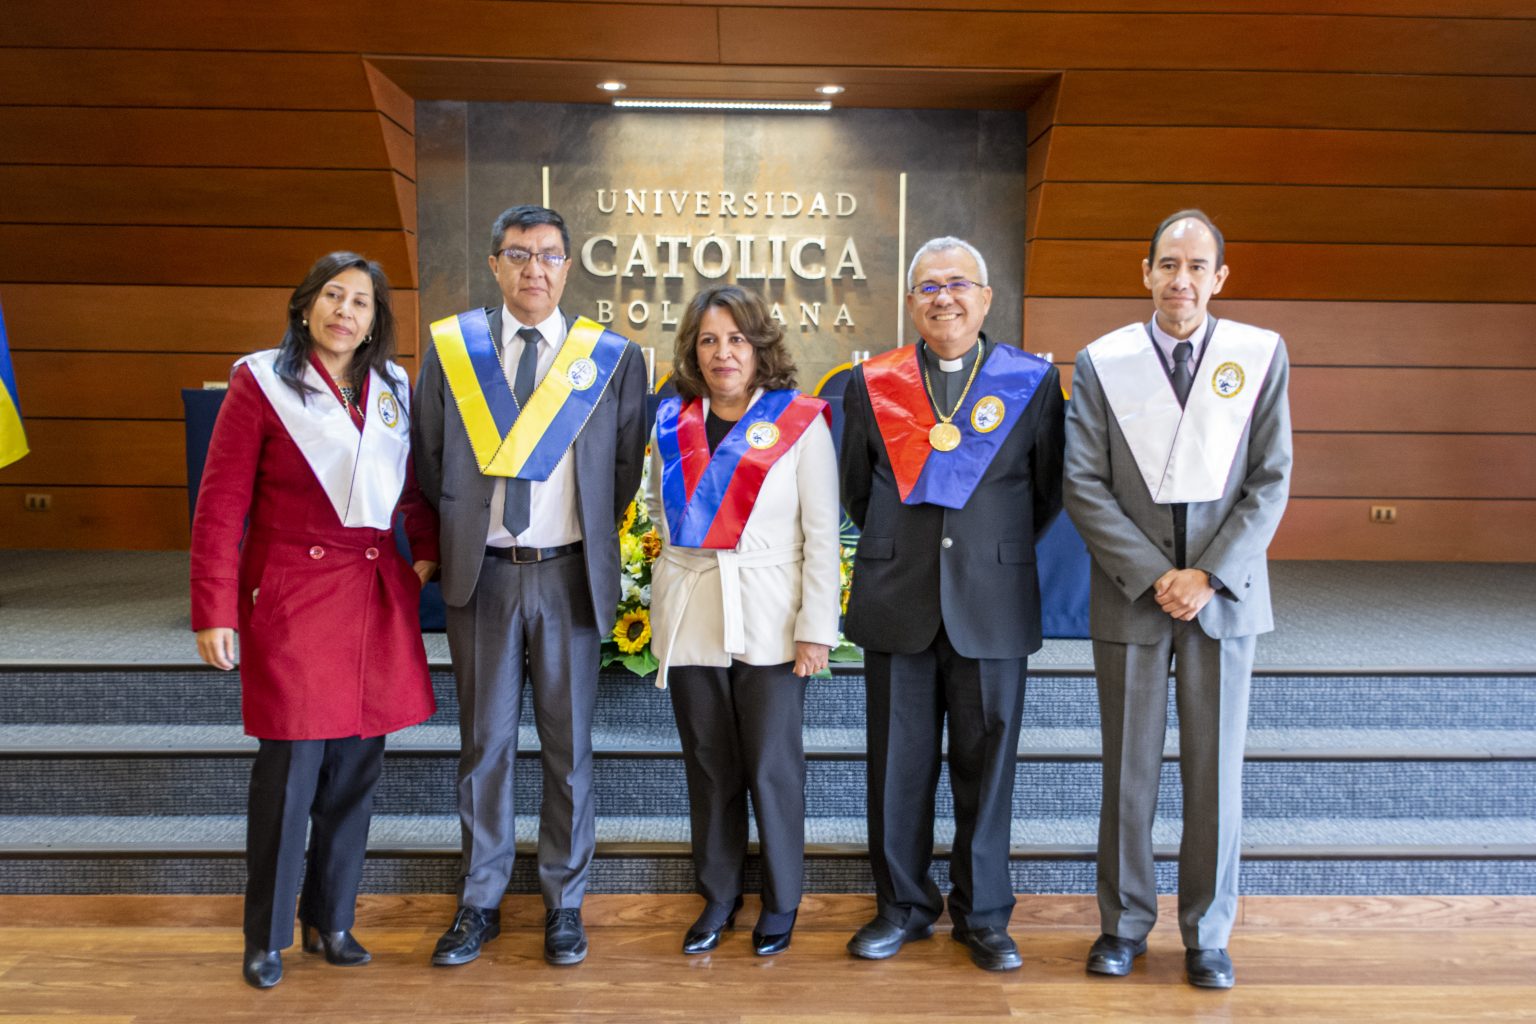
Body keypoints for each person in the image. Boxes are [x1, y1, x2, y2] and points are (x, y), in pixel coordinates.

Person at [190, 251, 439, 989]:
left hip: (371, 596)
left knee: (354, 776)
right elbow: (220, 503)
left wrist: (422, 555)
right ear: (305, 307)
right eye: (334, 296)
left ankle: (331, 921)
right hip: (295, 598)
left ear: (374, 323)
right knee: (290, 776)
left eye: (362, 303)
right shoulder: (261, 380)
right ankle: (265, 937)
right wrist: (213, 608)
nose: (346, 312)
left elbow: (417, 490)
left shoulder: (393, 387)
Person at [1064, 209, 1292, 990]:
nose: (1181, 280)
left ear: (1220, 277)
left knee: (1214, 772)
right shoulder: (1103, 362)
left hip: (1224, 598)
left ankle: (1208, 932)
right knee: (1127, 772)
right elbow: (1083, 484)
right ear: (1145, 272)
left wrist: (1207, 574)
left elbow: (1271, 478)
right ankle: (1124, 924)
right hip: (1133, 595)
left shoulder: (1259, 356)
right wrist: (1155, 572)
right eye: (1168, 264)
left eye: (1198, 266)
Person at [413, 204, 647, 967]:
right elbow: (428, 458)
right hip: (483, 578)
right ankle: (479, 901)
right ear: (494, 264)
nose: (534, 269)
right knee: (483, 747)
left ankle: (563, 903)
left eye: (549, 255)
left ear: (569, 267)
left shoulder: (610, 357)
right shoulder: (454, 352)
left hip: (568, 574)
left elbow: (620, 472)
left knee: (567, 750)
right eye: (518, 255)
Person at [840, 236, 1065, 972]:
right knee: (896, 766)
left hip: (990, 599)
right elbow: (855, 488)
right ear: (911, 302)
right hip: (898, 594)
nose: (945, 296)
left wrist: (980, 550)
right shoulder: (870, 382)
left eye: (960, 283)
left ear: (987, 298)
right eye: (929, 285)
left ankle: (984, 915)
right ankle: (902, 907)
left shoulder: (1031, 383)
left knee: (988, 765)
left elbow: (1045, 492)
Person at [645, 285, 840, 957]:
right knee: (709, 765)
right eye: (708, 340)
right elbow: (654, 516)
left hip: (772, 616)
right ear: (692, 351)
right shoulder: (672, 422)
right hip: (692, 614)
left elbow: (822, 532)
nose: (723, 353)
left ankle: (782, 899)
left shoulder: (802, 423)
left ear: (760, 348)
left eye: (736, 339)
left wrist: (817, 625)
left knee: (772, 765)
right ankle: (719, 895)